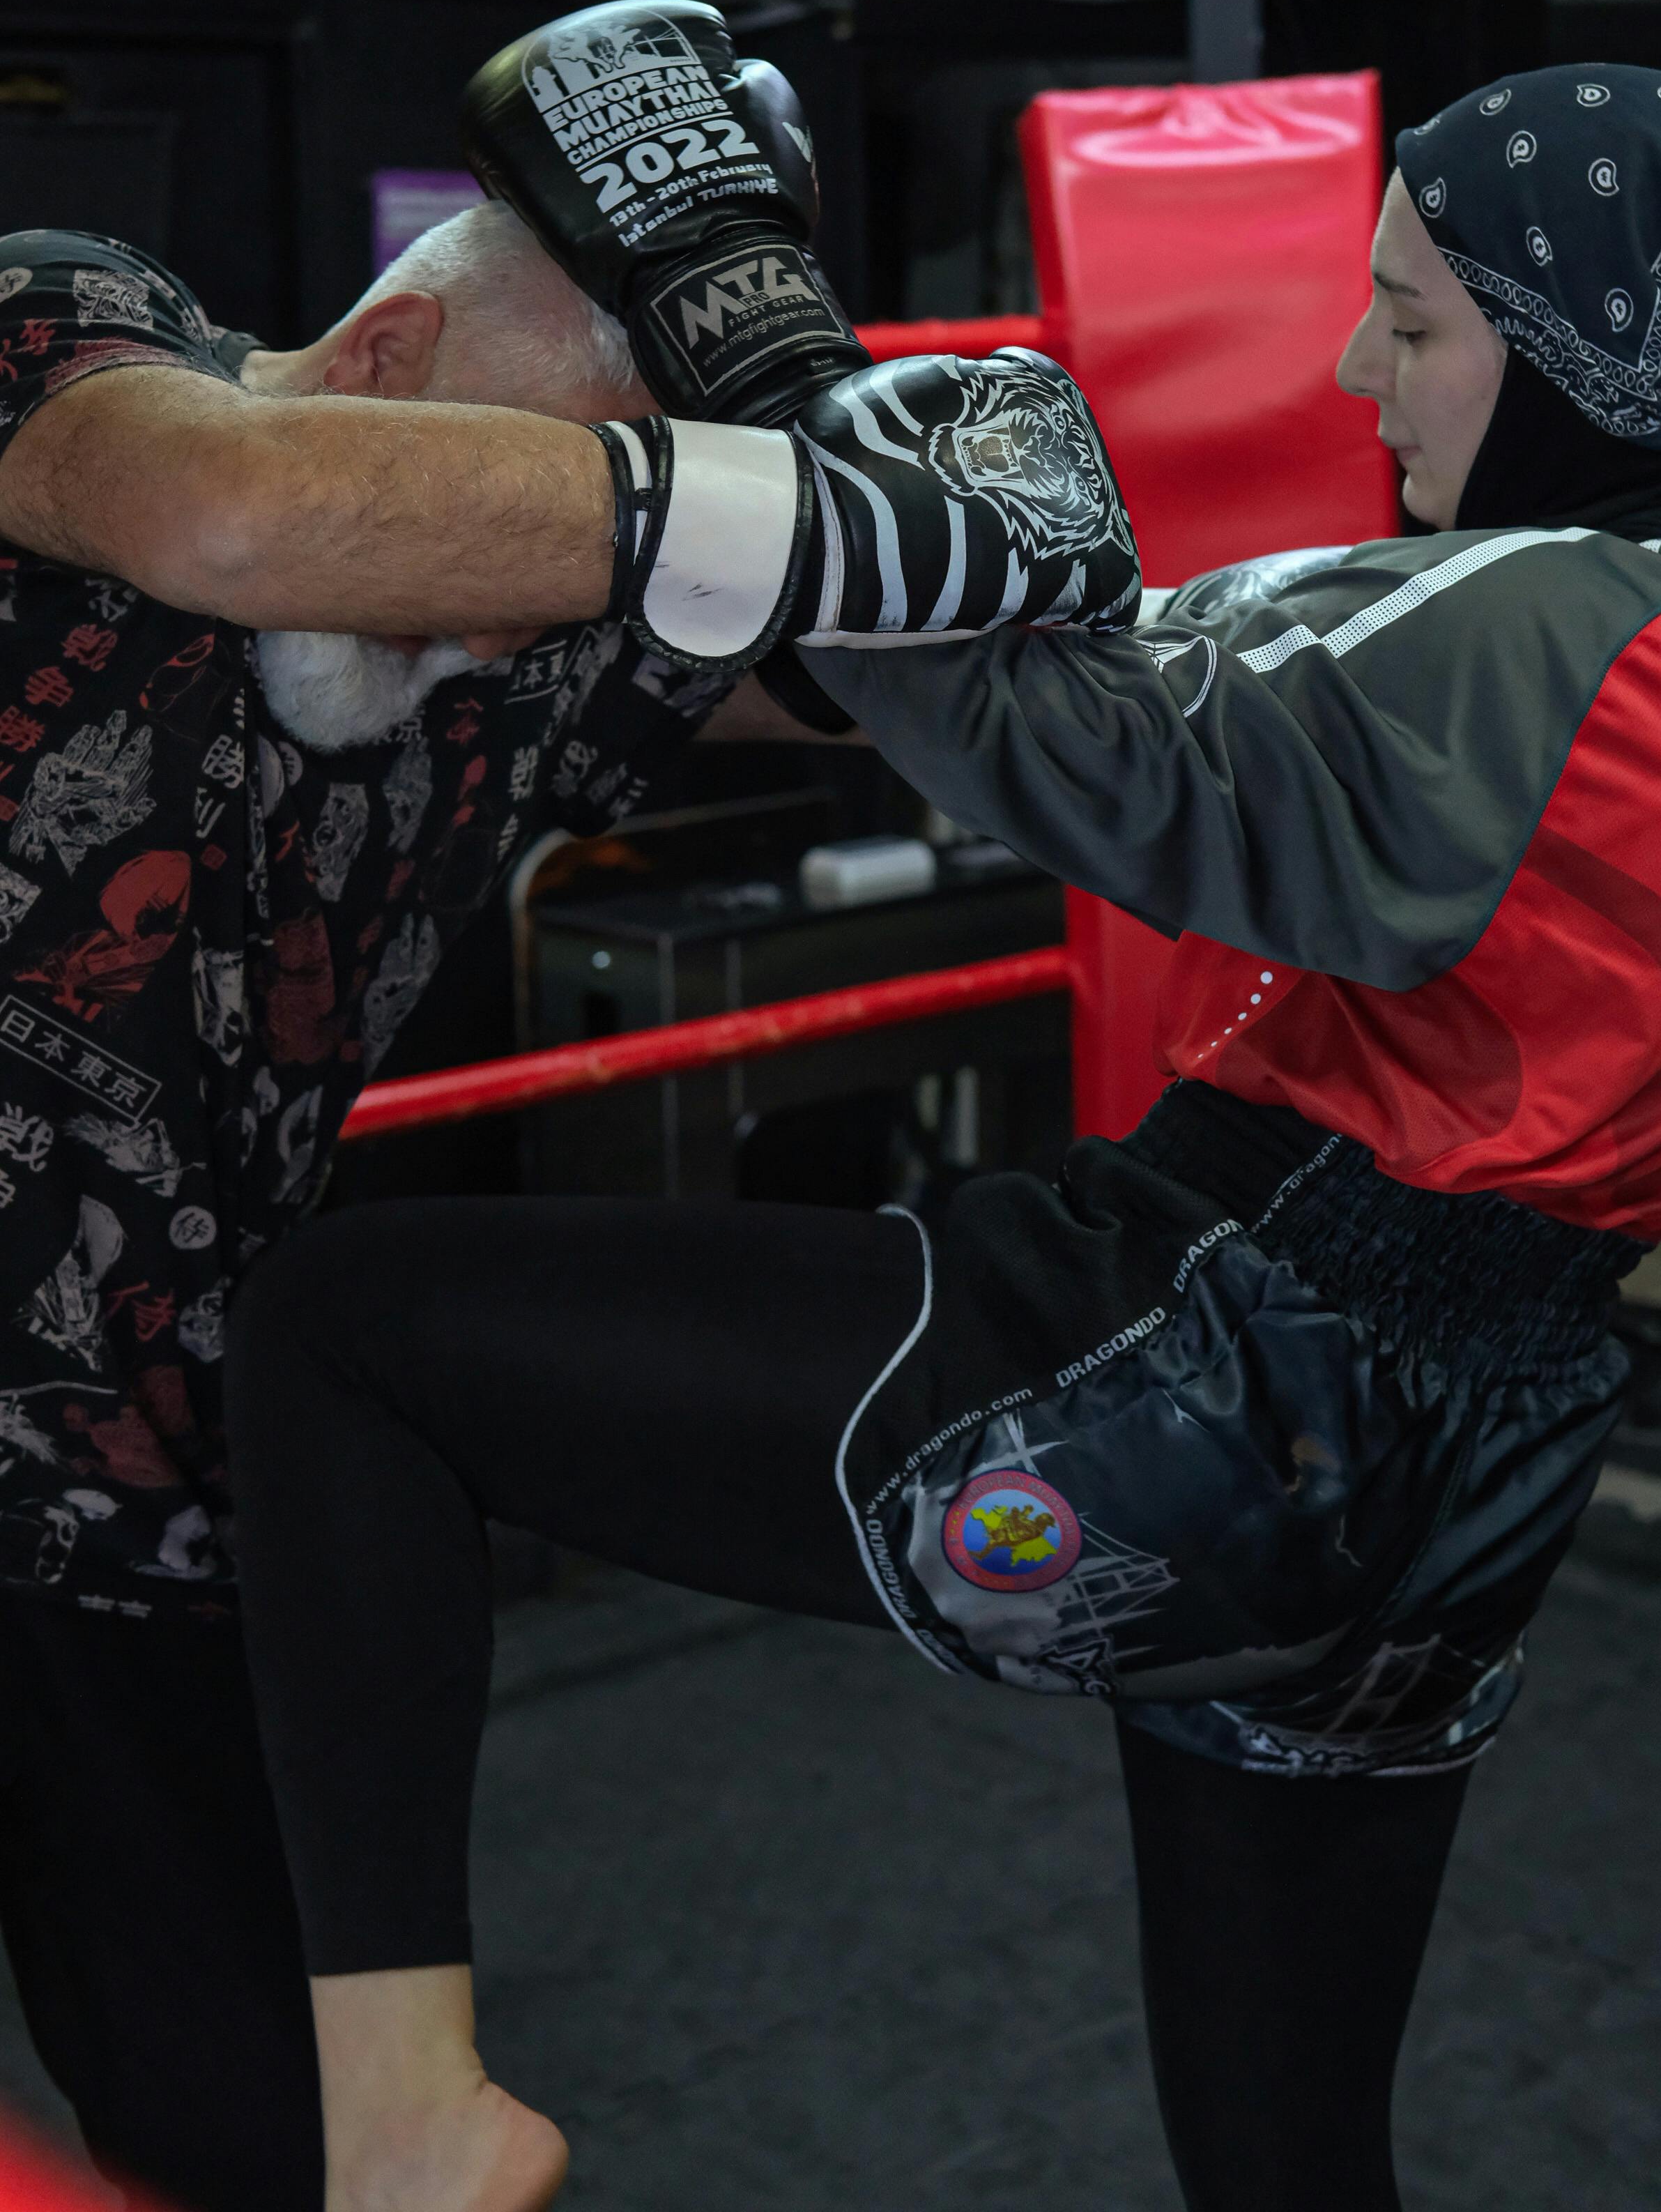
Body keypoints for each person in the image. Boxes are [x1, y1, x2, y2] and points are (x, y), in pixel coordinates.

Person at [225, 59, 1661, 2212]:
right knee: (1290, 2156)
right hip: (1482, 1464)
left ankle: (412, 2115)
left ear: (1581, 347)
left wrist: (763, 342)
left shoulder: (1536, 612)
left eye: (1417, 320)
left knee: (341, 1329)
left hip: (1224, 1384)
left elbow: (1080, 738)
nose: (1359, 368)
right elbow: (1178, 679)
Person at [0, 148, 1135, 2209]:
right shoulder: (71, 319)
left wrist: (980, 468)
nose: (526, 598)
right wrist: (740, 505)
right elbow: (227, 507)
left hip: (131, 1500)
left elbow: (915, 652)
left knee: (237, 2131)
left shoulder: (522, 648)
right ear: (389, 362)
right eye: (521, 504)